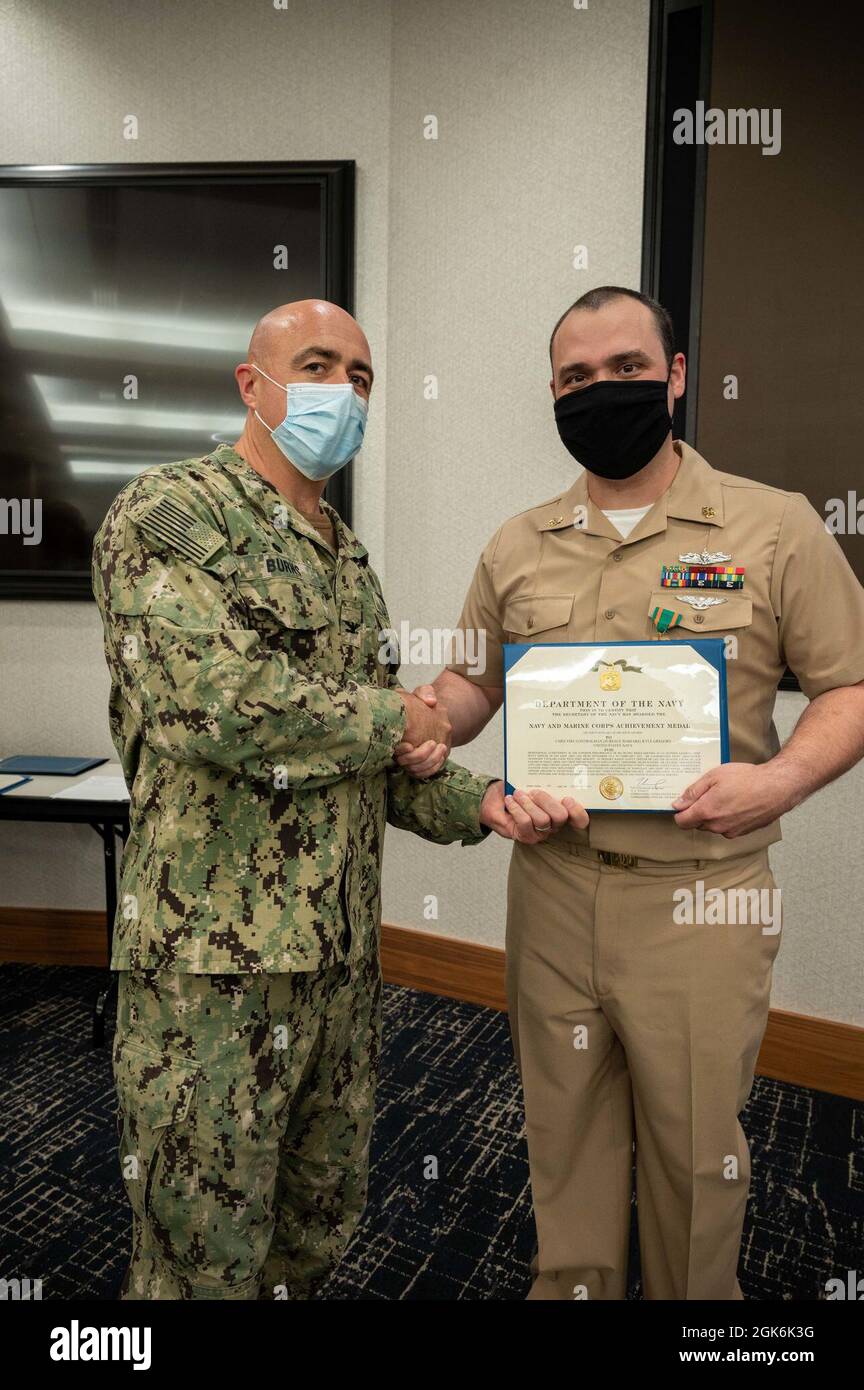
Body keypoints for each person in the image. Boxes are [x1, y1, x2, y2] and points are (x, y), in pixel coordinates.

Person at [92, 298, 573, 1301]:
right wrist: (398, 716)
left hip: (339, 966)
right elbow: (211, 705)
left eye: (360, 377)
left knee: (311, 1228)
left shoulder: (346, 560)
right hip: (212, 971)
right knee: (200, 1250)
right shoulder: (170, 514)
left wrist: (486, 801)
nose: (342, 393)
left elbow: (374, 753)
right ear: (251, 384)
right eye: (317, 365)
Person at [396, 285, 864, 1299]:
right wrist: (416, 719)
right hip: (553, 886)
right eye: (575, 377)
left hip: (699, 893)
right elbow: (472, 687)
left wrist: (777, 778)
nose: (600, 391)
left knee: (695, 1150)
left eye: (625, 370)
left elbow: (851, 687)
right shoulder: (519, 544)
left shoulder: (773, 528)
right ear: (553, 394)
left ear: (676, 377)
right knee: (564, 1136)